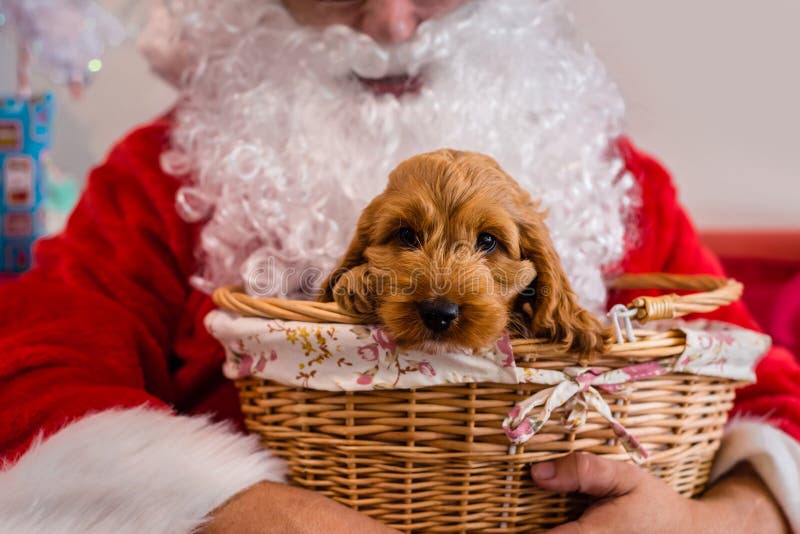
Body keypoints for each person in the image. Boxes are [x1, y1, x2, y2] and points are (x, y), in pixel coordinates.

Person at [0, 1, 798, 532]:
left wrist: (713, 522)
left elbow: (772, 399)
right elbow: (37, 385)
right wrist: (251, 511)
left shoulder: (614, 184)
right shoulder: (161, 180)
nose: (390, 22)